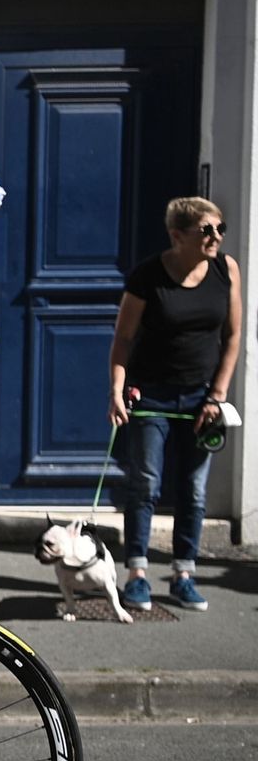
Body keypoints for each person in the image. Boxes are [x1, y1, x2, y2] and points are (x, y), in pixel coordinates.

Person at [108, 197, 243, 611]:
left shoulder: (226, 269)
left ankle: (184, 572)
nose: (216, 237)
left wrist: (217, 396)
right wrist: (116, 388)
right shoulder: (149, 276)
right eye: (207, 230)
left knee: (193, 488)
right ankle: (137, 574)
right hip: (152, 395)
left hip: (202, 397)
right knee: (145, 483)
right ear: (177, 235)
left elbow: (233, 337)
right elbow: (124, 339)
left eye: (220, 229)